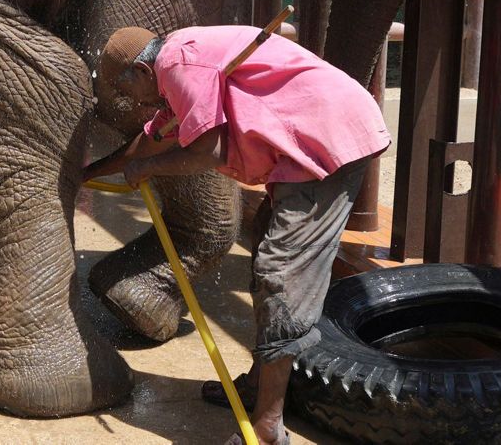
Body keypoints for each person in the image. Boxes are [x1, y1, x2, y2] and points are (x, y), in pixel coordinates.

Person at [88, 24, 390, 445]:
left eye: (128, 91)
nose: (134, 103)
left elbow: (205, 151)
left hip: (329, 140)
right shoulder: (176, 69)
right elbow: (148, 143)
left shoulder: (177, 64)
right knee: (268, 241)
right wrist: (86, 174)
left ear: (141, 70)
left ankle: (268, 426)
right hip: (302, 145)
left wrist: (149, 169)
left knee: (281, 271)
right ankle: (260, 383)